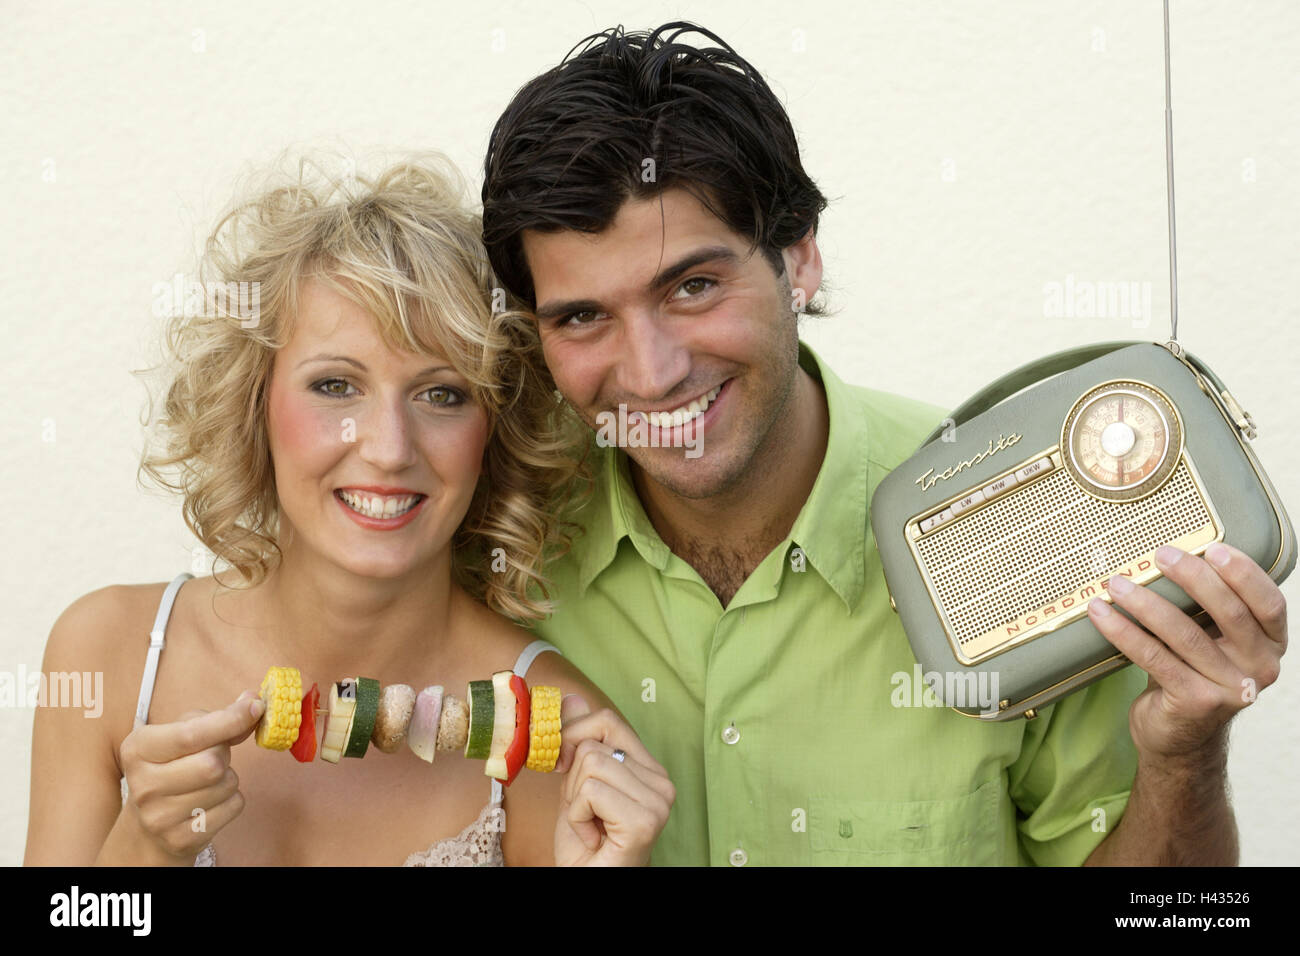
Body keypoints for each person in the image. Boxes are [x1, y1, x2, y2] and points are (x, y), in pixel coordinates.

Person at [479, 22, 1288, 865]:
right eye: (583, 317)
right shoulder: (503, 540)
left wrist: (1182, 754)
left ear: (799, 258)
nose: (649, 376)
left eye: (693, 286)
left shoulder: (1020, 514)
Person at [24, 153, 674, 867]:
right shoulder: (107, 653)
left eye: (442, 394)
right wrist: (139, 853)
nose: (391, 449)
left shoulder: (554, 722)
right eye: (335, 386)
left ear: (494, 430)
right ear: (255, 406)